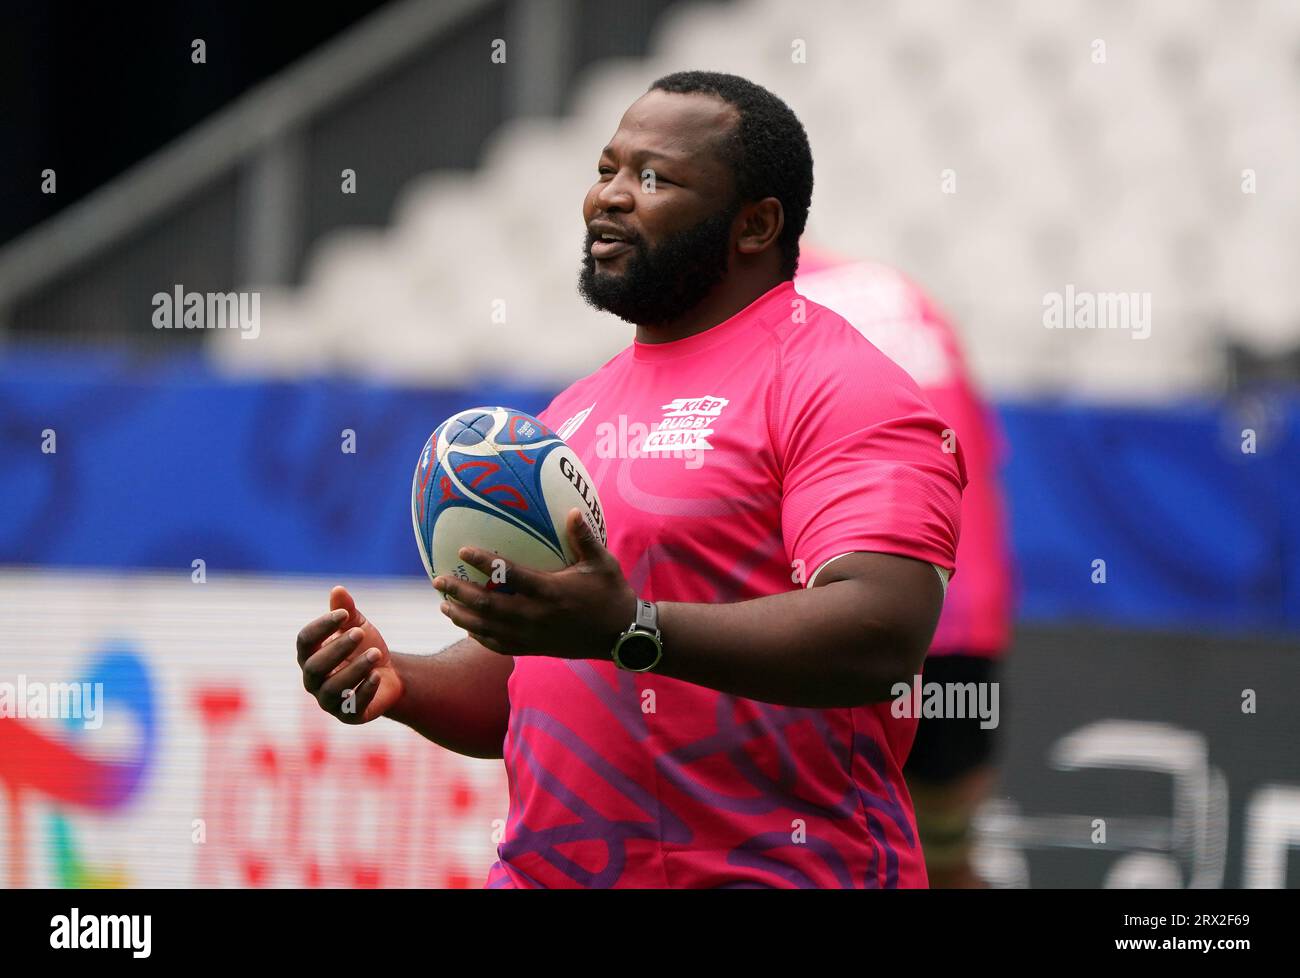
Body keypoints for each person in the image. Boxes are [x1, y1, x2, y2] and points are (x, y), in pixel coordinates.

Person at [294, 71, 965, 888]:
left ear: (754, 225)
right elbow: (532, 676)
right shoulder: (576, 411)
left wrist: (632, 627)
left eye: (652, 178)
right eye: (606, 168)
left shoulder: (840, 382)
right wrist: (401, 680)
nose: (608, 197)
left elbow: (882, 631)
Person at [795, 246, 1015, 887]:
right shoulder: (901, 295)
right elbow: (982, 453)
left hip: (844, 612)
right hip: (963, 613)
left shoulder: (766, 315)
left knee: (819, 851)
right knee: (943, 850)